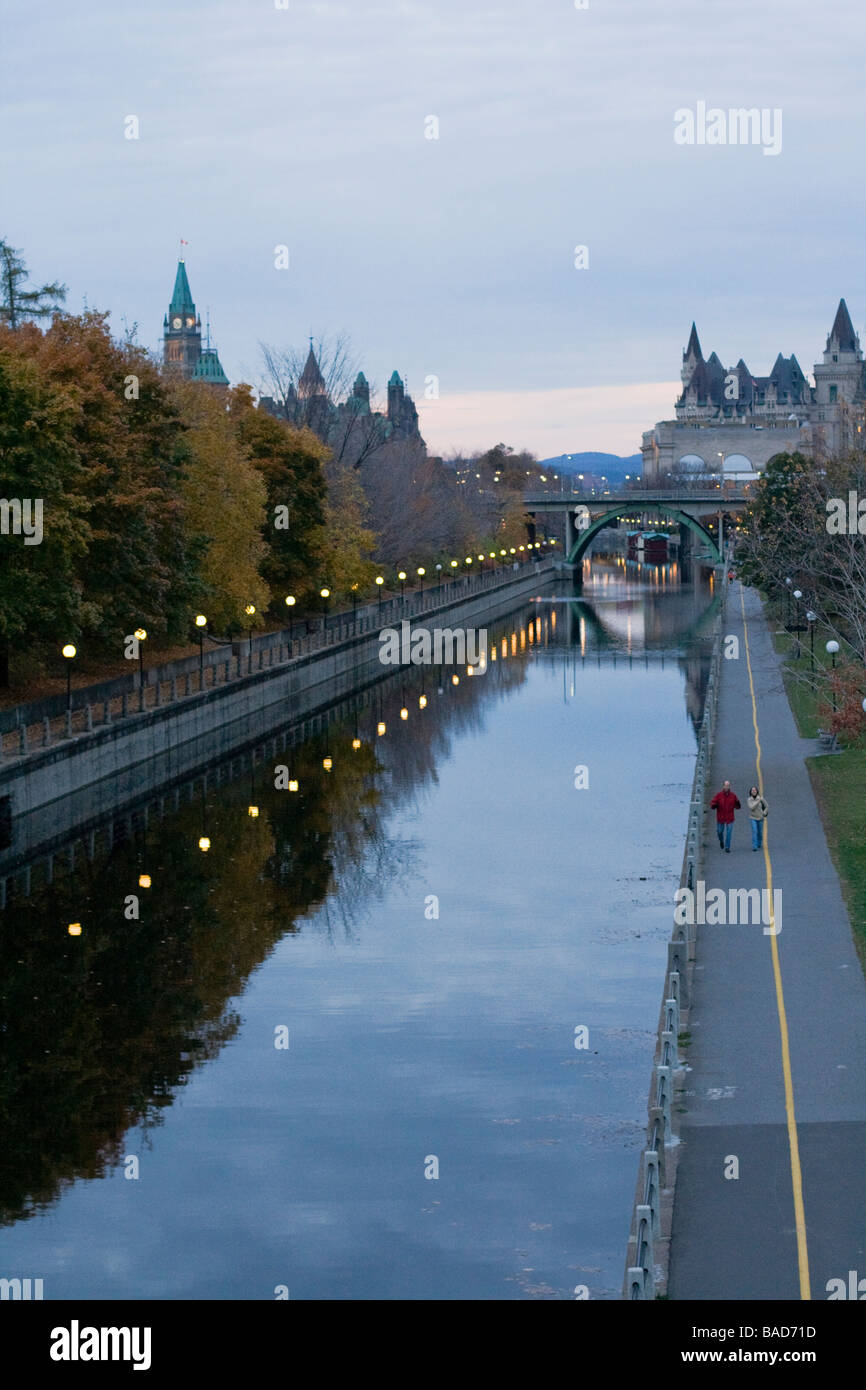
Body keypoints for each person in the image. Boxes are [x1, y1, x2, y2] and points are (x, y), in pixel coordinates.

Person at [710, 779, 741, 852]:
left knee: (729, 832)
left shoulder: (733, 796)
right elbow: (713, 803)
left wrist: (737, 803)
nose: (727, 787)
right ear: (723, 786)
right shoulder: (718, 795)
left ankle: (727, 847)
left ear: (729, 787)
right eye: (725, 785)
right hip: (721, 817)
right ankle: (721, 841)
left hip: (730, 817)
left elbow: (738, 807)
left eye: (728, 785)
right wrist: (714, 805)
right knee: (719, 831)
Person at [747, 786, 769, 851]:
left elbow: (767, 806)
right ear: (750, 792)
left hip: (760, 818)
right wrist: (758, 801)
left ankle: (759, 843)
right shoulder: (749, 799)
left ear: (757, 791)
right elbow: (751, 807)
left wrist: (764, 813)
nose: (754, 791)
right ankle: (754, 846)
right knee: (754, 831)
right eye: (752, 790)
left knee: (760, 832)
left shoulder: (761, 798)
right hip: (752, 818)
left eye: (755, 790)